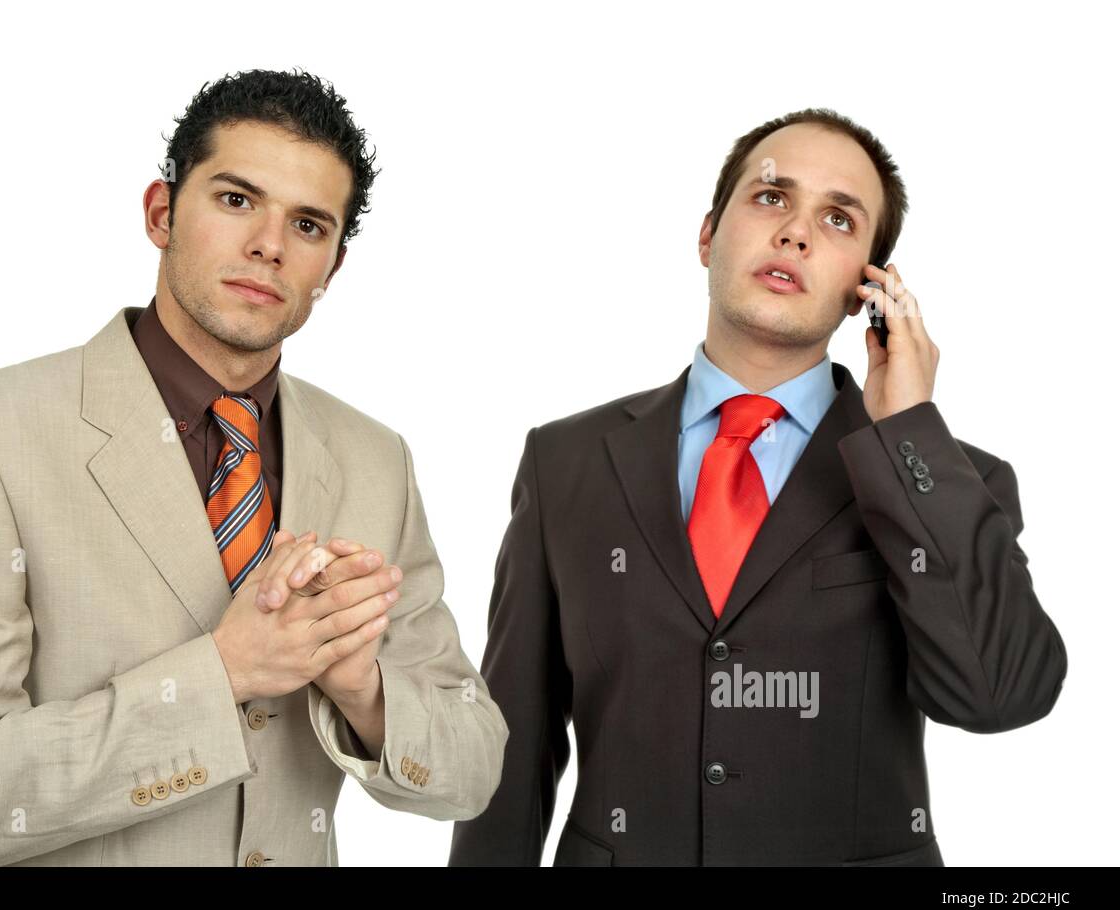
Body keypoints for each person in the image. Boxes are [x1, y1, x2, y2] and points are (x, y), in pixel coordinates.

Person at [0, 68, 507, 867]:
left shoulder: (376, 458)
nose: (269, 244)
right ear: (162, 213)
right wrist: (220, 674)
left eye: (308, 225)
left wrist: (364, 692)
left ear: (332, 267)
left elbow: (473, 770)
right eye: (236, 200)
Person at [448, 108, 1066, 867]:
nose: (796, 232)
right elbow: (513, 740)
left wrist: (909, 431)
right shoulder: (565, 459)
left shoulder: (947, 476)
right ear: (708, 236)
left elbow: (999, 693)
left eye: (838, 218)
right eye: (772, 197)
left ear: (868, 288)